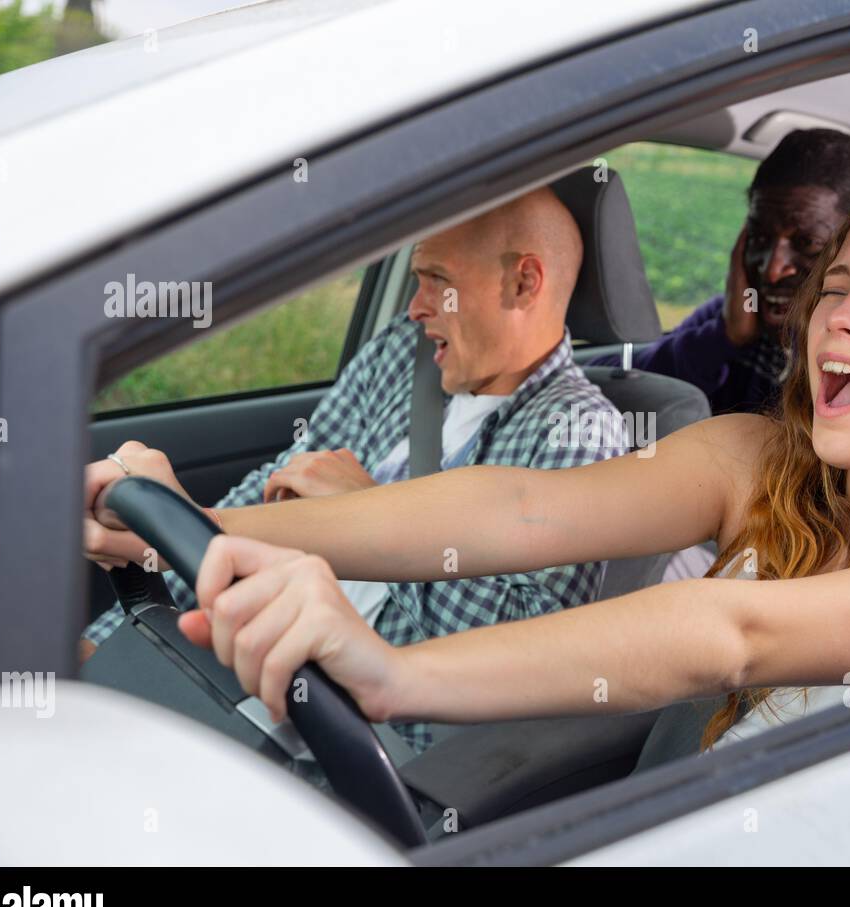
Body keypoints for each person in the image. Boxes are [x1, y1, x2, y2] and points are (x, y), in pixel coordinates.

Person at [83, 180, 850, 752]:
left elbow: (731, 632)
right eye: (836, 285)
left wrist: (393, 674)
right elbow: (520, 506)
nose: (836, 310)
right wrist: (195, 518)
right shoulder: (756, 459)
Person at [82, 186, 625, 753]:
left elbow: (527, 660)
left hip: (368, 745)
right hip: (243, 673)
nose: (416, 306)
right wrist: (116, 637)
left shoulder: (579, 433)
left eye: (438, 280)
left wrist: (369, 510)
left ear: (523, 283)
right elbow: (259, 500)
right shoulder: (402, 354)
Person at [591, 128, 850, 416]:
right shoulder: (737, 315)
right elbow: (615, 383)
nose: (772, 270)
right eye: (759, 238)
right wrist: (723, 338)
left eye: (807, 242)